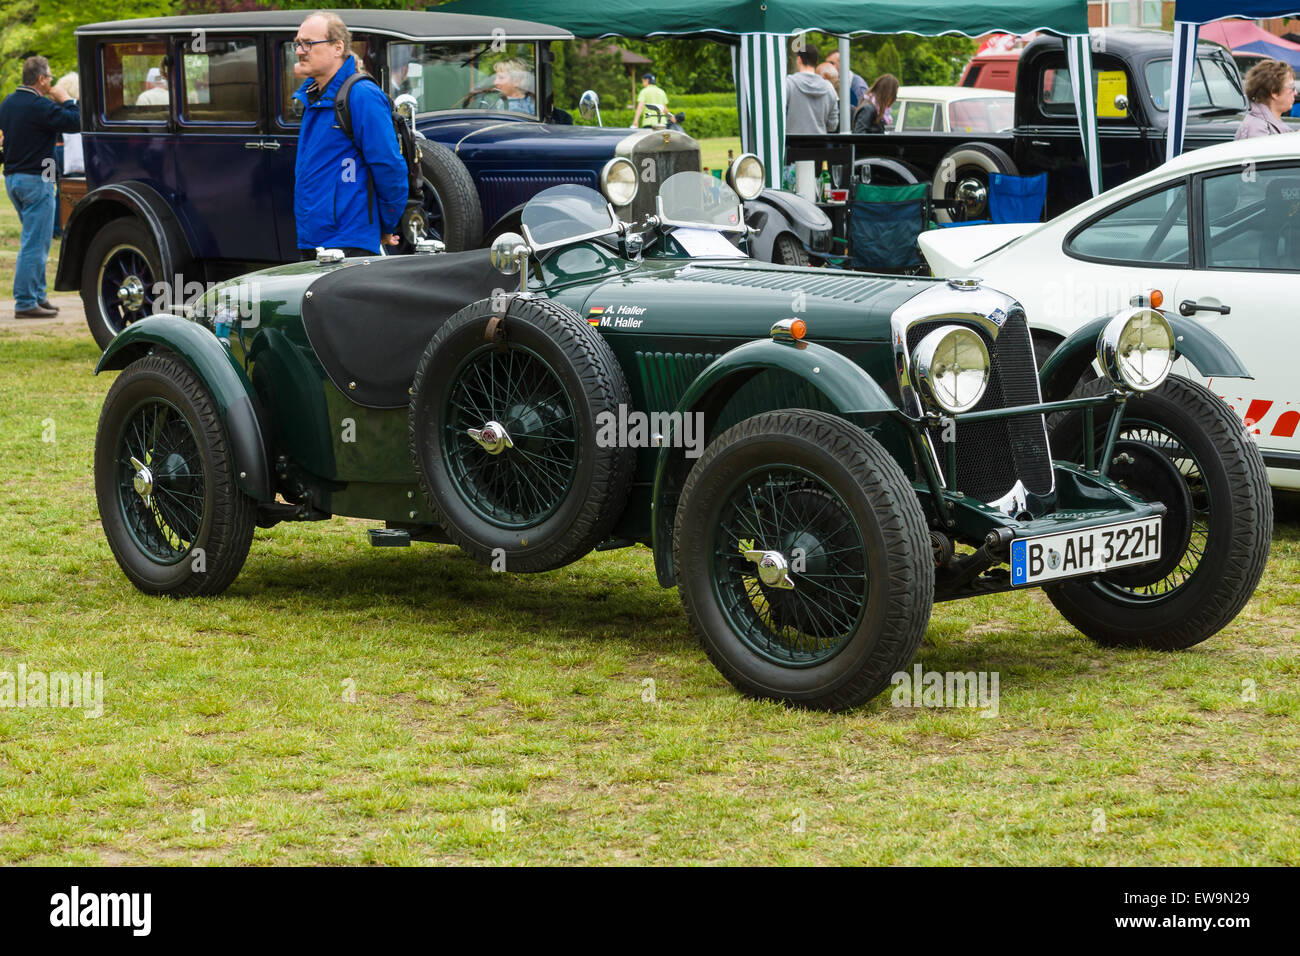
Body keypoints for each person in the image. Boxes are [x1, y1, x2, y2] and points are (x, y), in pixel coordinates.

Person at [290, 11, 408, 258]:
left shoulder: (361, 94)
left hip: (349, 244)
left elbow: (389, 165)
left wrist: (386, 225)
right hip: (314, 240)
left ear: (337, 47)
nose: (300, 51)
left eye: (308, 43)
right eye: (297, 44)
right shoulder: (313, 97)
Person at [0, 55, 80, 318]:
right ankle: (25, 302)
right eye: (50, 78)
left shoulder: (8, 103)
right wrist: (66, 98)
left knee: (37, 239)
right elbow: (75, 121)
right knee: (35, 243)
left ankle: (38, 295)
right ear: (42, 79)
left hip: (14, 178)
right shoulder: (40, 106)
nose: (52, 82)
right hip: (38, 179)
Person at [1236, 59, 1296, 139]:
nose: (1295, 93)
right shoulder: (1258, 129)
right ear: (1274, 92)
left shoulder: (1265, 124)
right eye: (1292, 87)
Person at [785, 45, 838, 135]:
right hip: (820, 145)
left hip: (793, 144)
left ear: (799, 59)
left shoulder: (788, 84)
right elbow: (832, 126)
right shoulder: (829, 88)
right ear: (816, 61)